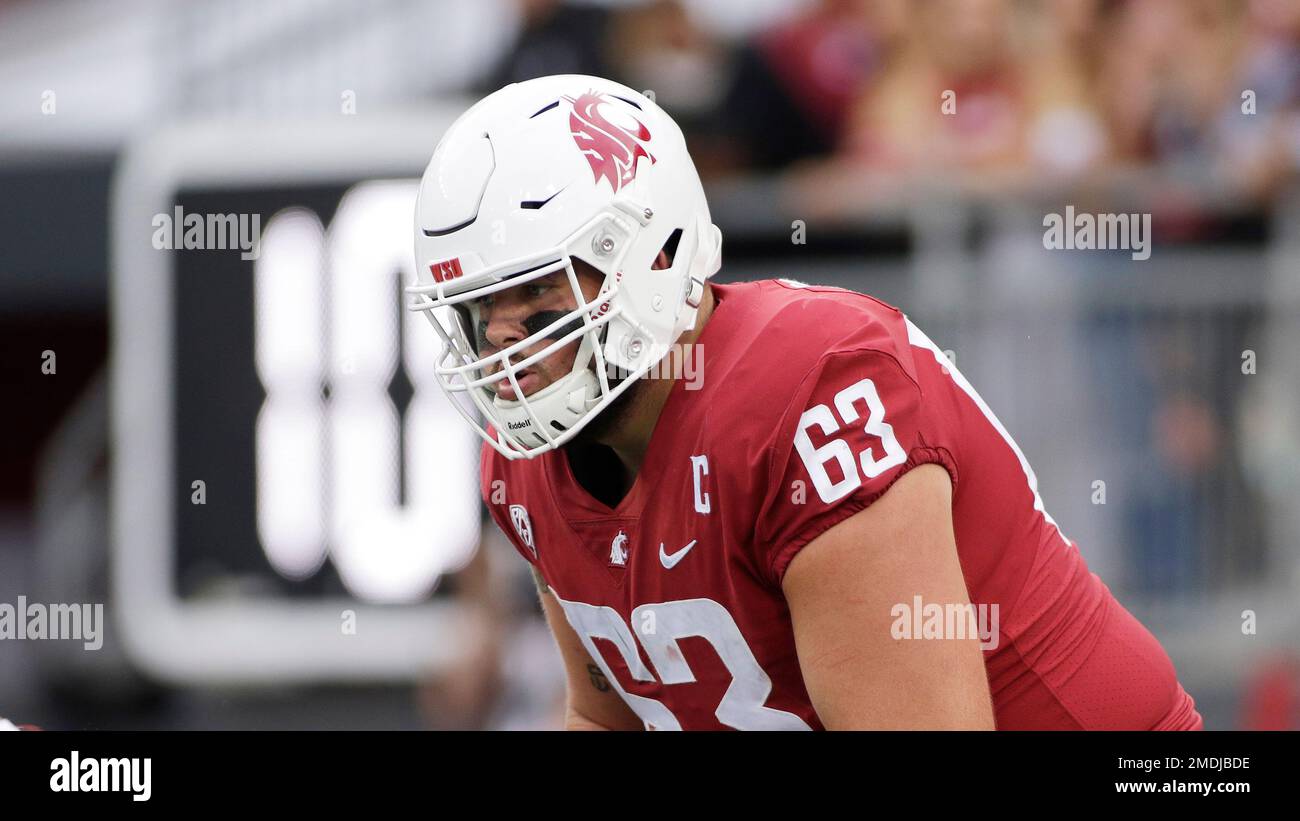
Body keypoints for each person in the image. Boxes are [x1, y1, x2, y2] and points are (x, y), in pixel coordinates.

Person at [406, 74, 1203, 730]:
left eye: (536, 289)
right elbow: (607, 717)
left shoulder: (811, 390)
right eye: (481, 311)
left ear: (653, 250)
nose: (503, 344)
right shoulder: (528, 468)